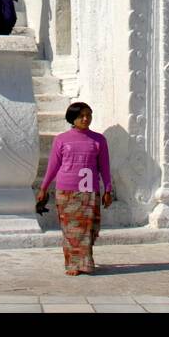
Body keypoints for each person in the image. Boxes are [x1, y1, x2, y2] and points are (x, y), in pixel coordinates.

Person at [36, 103, 112, 275]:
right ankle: (72, 264)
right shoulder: (61, 139)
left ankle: (85, 263)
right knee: (70, 229)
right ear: (72, 118)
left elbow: (104, 167)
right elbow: (53, 166)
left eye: (89, 115)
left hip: (89, 190)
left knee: (87, 228)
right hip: (66, 191)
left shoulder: (99, 140)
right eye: (81, 116)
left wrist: (108, 190)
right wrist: (44, 188)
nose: (86, 119)